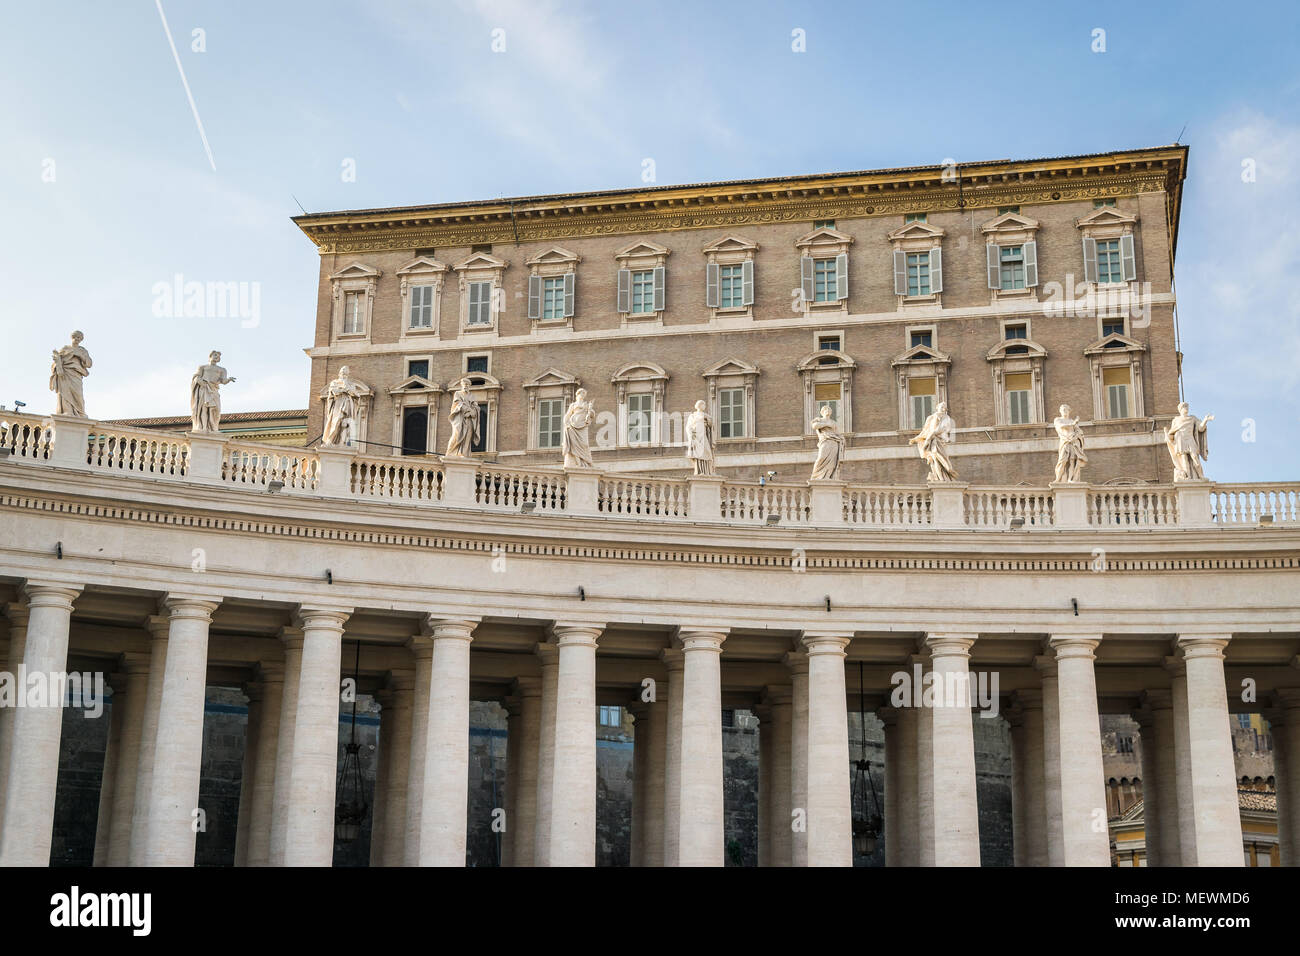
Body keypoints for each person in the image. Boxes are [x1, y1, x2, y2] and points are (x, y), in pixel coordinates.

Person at [910, 401, 958, 481]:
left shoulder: (946, 418)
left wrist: (929, 437)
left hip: (940, 441)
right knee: (935, 459)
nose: (943, 409)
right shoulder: (930, 418)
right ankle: (940, 478)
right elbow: (925, 429)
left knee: (944, 459)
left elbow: (941, 429)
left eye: (945, 408)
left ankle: (945, 476)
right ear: (937, 407)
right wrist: (919, 438)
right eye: (942, 407)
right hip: (933, 442)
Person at [1164, 401, 1213, 481]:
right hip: (1180, 439)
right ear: (1180, 410)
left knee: (1195, 457)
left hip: (1190, 439)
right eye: (1184, 407)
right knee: (1184, 459)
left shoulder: (1192, 418)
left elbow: (1200, 428)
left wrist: (1205, 420)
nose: (1186, 409)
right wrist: (1167, 435)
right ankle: (1188, 477)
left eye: (1187, 407)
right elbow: (1172, 433)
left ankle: (1201, 476)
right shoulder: (1176, 420)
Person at [321, 366, 369, 446]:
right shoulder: (335, 382)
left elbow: (356, 394)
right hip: (338, 404)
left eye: (346, 371)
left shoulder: (351, 384)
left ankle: (341, 443)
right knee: (336, 421)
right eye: (343, 370)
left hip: (348, 403)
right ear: (339, 373)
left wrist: (348, 390)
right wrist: (344, 389)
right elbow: (333, 391)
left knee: (346, 424)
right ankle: (330, 440)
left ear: (348, 373)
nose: (344, 372)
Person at [190, 351, 236, 433]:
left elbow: (223, 381)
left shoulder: (222, 370)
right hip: (204, 388)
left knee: (216, 410)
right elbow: (196, 376)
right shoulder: (202, 367)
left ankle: (213, 427)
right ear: (210, 356)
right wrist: (199, 381)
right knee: (203, 409)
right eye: (215, 355)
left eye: (218, 356)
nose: (217, 357)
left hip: (214, 389)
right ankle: (203, 427)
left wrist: (229, 380)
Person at [50, 331, 92, 417]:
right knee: (65, 392)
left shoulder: (82, 351)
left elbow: (89, 364)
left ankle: (80, 413)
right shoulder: (65, 348)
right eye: (75, 337)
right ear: (72, 337)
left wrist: (81, 356)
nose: (77, 339)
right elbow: (57, 360)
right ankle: (67, 411)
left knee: (78, 394)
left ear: (81, 340)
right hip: (65, 373)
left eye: (79, 338)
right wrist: (58, 365)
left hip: (76, 374)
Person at [1053, 404, 1088, 483]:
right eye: (1063, 410)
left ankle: (1071, 479)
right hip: (1064, 442)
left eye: (1066, 410)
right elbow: (1061, 426)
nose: (1065, 411)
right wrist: (1073, 424)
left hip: (1073, 442)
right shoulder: (1058, 420)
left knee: (1072, 461)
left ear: (1069, 411)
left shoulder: (1072, 421)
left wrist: (1076, 436)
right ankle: (1058, 479)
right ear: (1060, 411)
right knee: (1062, 460)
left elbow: (1079, 431)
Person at [445, 378, 480, 457]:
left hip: (469, 420)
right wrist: (468, 410)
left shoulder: (471, 396)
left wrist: (472, 412)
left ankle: (464, 454)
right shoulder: (458, 393)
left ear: (469, 386)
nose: (466, 386)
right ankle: (449, 453)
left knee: (468, 436)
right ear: (462, 385)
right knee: (456, 435)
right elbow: (458, 404)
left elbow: (476, 407)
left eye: (467, 385)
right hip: (460, 419)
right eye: (464, 384)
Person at [561, 388, 595, 468]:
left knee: (584, 444)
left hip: (582, 425)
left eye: (584, 394)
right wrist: (566, 423)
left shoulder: (586, 404)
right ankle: (578, 463)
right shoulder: (573, 405)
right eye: (581, 393)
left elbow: (592, 415)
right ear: (578, 394)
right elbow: (568, 414)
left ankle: (587, 462)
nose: (583, 395)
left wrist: (590, 409)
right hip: (573, 425)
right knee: (574, 445)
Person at [809, 405, 845, 480]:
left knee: (832, 460)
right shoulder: (819, 419)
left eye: (829, 410)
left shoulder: (833, 422)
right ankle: (816, 476)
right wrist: (826, 424)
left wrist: (842, 438)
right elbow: (814, 426)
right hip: (825, 440)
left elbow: (837, 432)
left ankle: (828, 476)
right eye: (825, 410)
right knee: (821, 457)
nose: (827, 411)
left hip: (834, 441)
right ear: (822, 412)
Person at [685, 400, 715, 476]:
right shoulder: (693, 416)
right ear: (699, 405)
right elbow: (688, 427)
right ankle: (699, 471)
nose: (704, 406)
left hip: (704, 436)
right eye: (703, 404)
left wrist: (707, 419)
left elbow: (711, 424)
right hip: (696, 437)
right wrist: (691, 436)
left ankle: (707, 471)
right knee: (698, 454)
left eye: (704, 405)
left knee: (707, 452)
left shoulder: (706, 416)